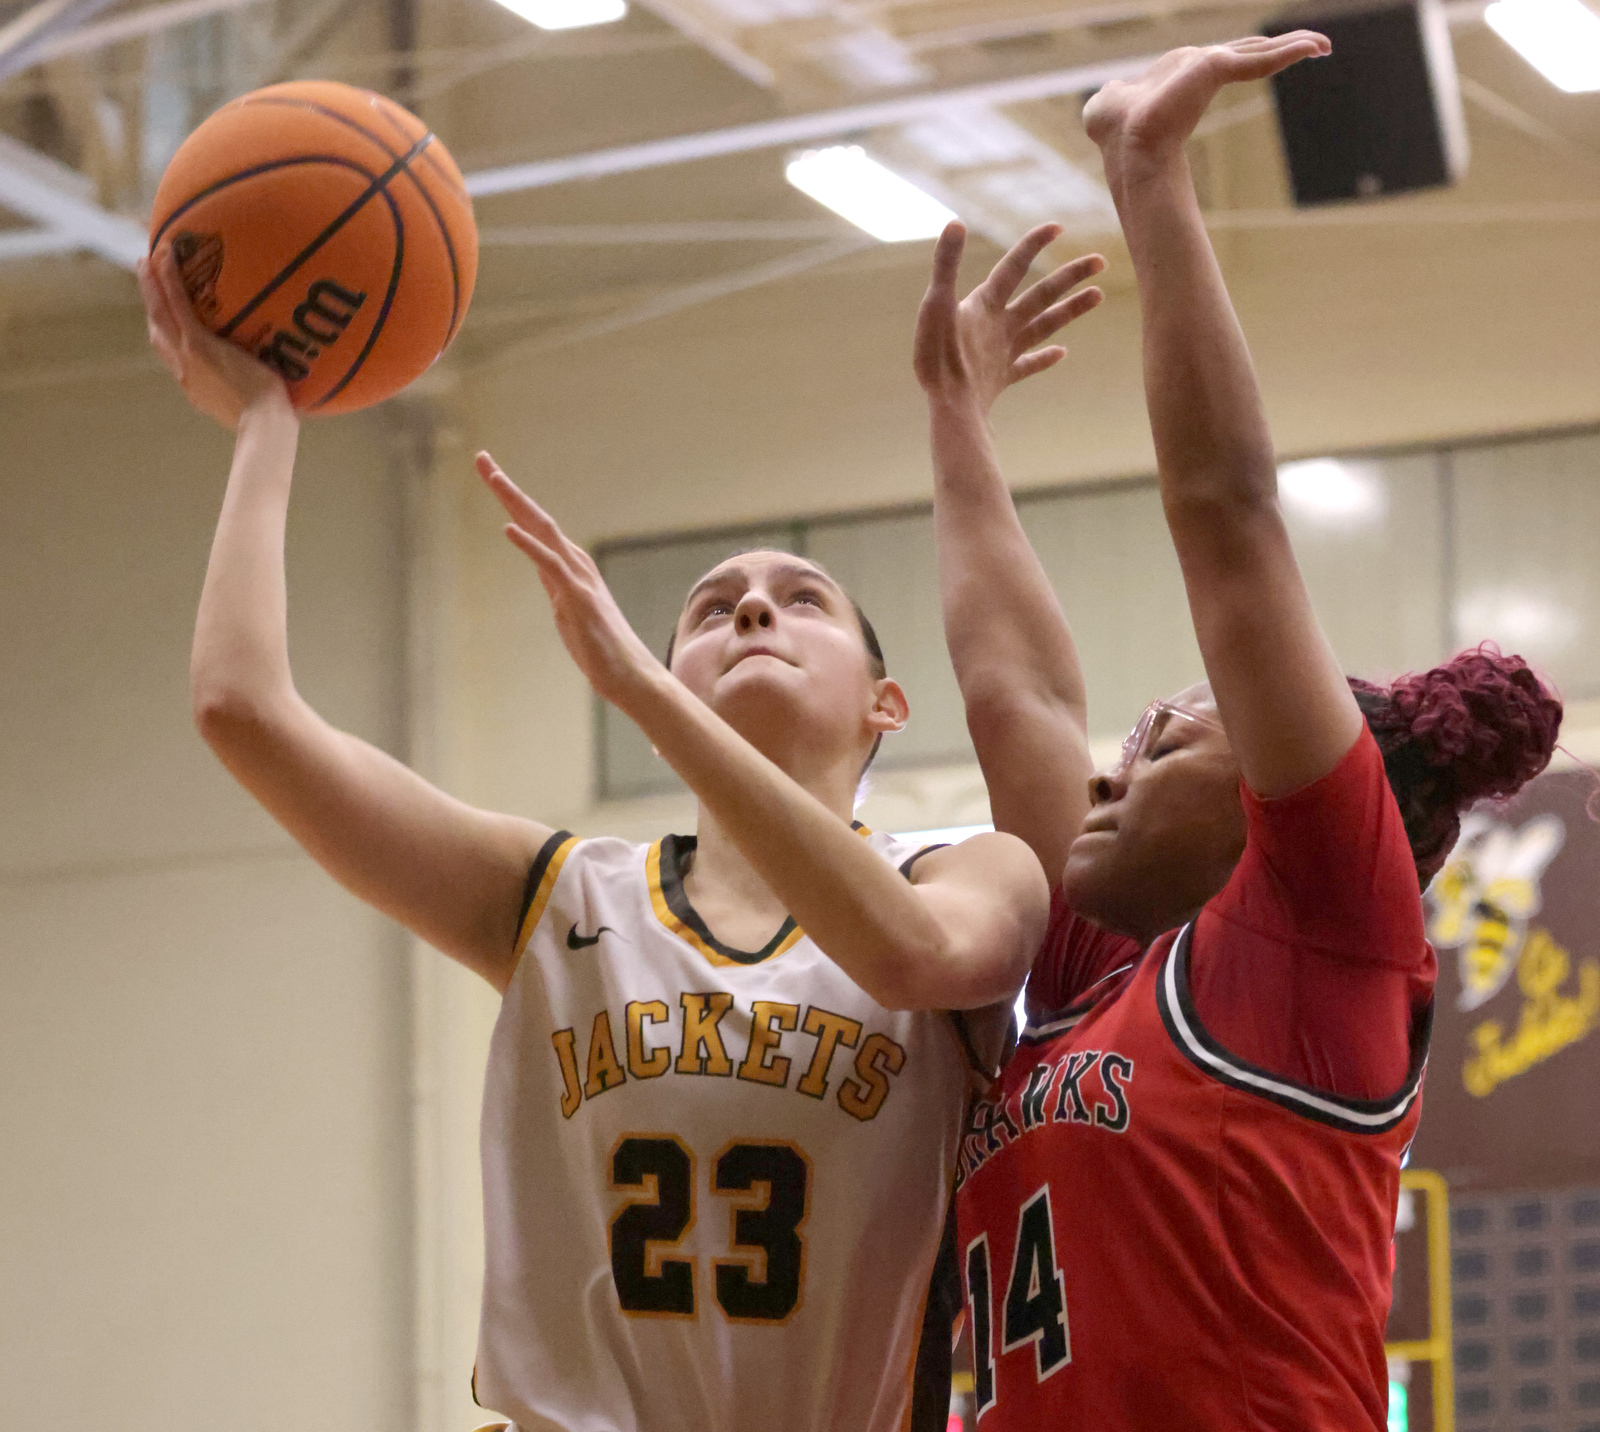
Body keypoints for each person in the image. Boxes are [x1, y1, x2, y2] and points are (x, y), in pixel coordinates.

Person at [134, 242, 1063, 1431]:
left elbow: (915, 959)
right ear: (672, 666)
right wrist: (266, 424)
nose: (751, 607)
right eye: (711, 606)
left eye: (801, 598)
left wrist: (645, 693)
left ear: (889, 703)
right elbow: (243, 712)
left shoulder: (963, 874)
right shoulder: (556, 896)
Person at [915, 34, 1564, 1430]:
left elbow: (1228, 514)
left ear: (1285, 802)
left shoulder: (1319, 932)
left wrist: (1149, 170)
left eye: (1166, 736)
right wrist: (957, 421)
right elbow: (1011, 697)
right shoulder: (1100, 959)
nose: (1114, 762)